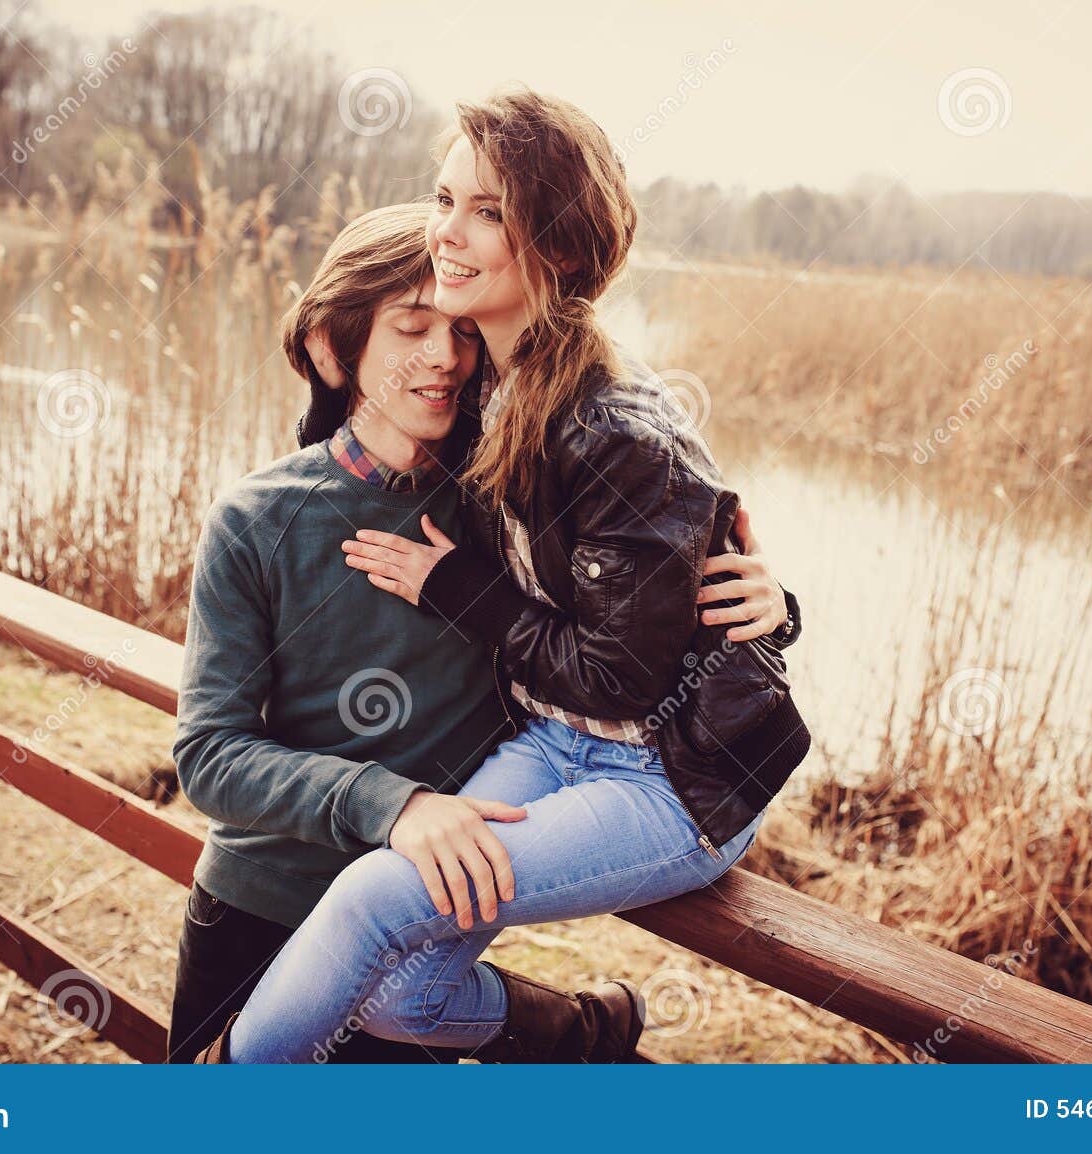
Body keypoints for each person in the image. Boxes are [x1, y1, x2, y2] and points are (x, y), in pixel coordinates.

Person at [202, 88, 811, 1065]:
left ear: (560, 249)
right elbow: (358, 421)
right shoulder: (482, 379)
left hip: (670, 777)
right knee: (399, 992)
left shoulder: (616, 429)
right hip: (555, 738)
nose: (446, 231)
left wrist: (770, 611)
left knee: (377, 891)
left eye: (487, 211)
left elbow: (623, 671)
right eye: (445, 198)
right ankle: (586, 1036)